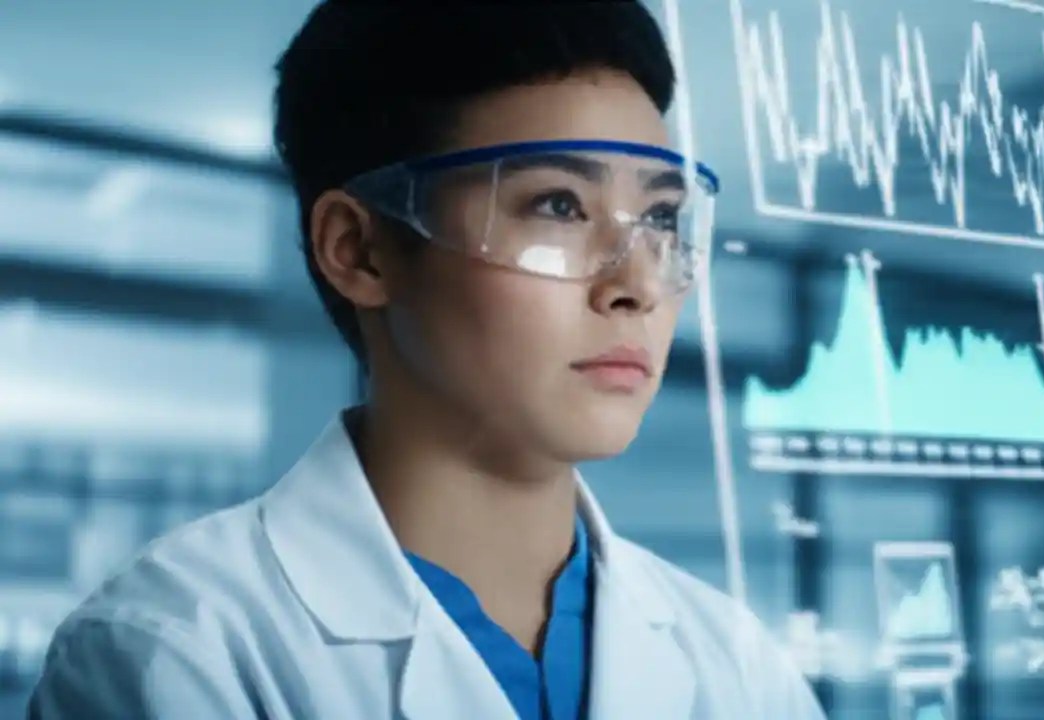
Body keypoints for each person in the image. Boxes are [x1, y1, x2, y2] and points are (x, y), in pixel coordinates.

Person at [26, 1, 826, 718]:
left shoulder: (738, 667)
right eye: (557, 206)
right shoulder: (177, 653)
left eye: (660, 217)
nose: (637, 284)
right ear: (360, 250)